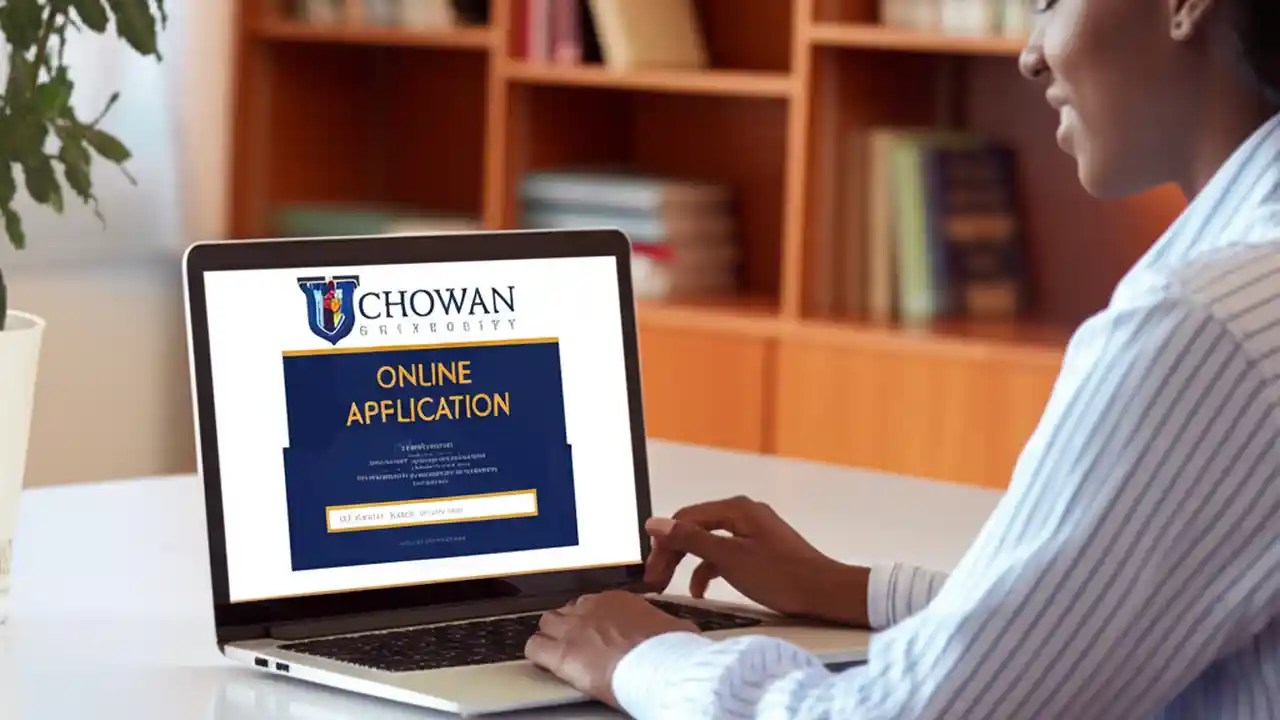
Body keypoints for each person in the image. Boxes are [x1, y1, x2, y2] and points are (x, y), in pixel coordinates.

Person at [524, 0, 1280, 716]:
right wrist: (851, 590)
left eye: (1050, 1)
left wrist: (648, 659)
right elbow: (1105, 614)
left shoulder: (1204, 327)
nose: (1028, 56)